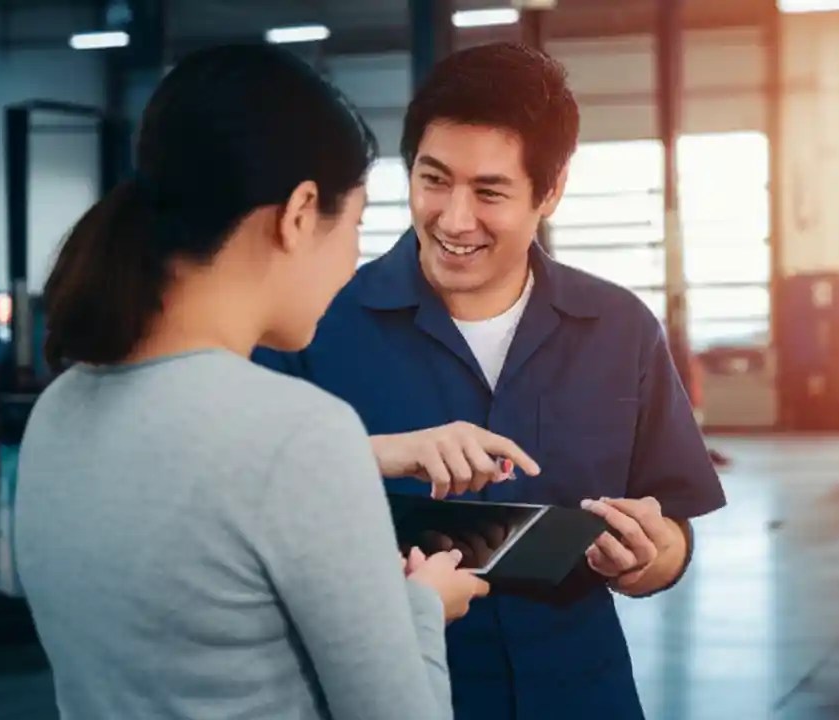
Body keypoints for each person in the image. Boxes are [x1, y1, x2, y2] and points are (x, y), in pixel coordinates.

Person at [12, 44, 490, 720]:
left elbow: (193, 492)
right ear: (298, 215)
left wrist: (367, 456)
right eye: (354, 225)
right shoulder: (297, 431)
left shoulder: (60, 408)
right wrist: (420, 608)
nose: (354, 258)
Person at [253, 42, 728, 719]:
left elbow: (672, 525)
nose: (453, 219)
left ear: (551, 190)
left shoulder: (620, 330)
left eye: (490, 192)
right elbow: (244, 501)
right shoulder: (314, 322)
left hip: (581, 693)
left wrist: (650, 555)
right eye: (434, 179)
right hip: (392, 693)